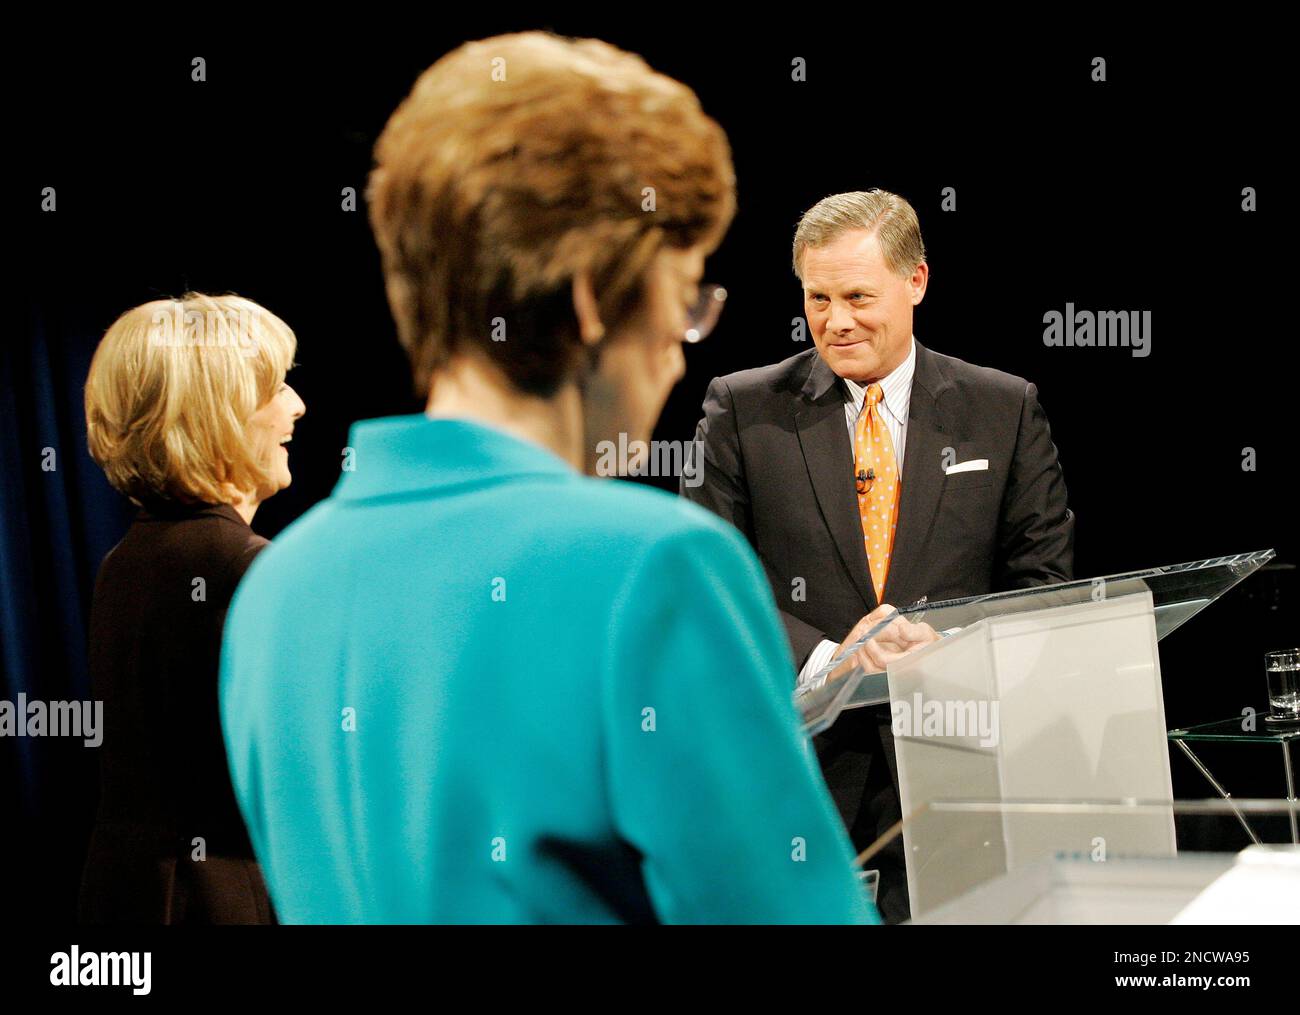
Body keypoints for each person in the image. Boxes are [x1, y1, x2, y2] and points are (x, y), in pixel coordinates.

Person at [219, 31, 875, 924]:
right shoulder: (658, 566)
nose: (679, 359)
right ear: (590, 299)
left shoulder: (277, 584)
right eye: (682, 298)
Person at [682, 189, 1075, 920]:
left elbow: (1044, 587)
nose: (836, 321)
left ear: (917, 282)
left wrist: (949, 648)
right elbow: (705, 589)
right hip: (798, 777)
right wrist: (835, 656)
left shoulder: (1003, 407)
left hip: (959, 770)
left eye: (858, 295)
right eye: (818, 297)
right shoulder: (741, 408)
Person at [78, 292, 305, 923]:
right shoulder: (248, 567)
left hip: (121, 899)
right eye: (275, 386)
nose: (296, 405)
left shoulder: (121, 563)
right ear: (217, 415)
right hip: (221, 902)